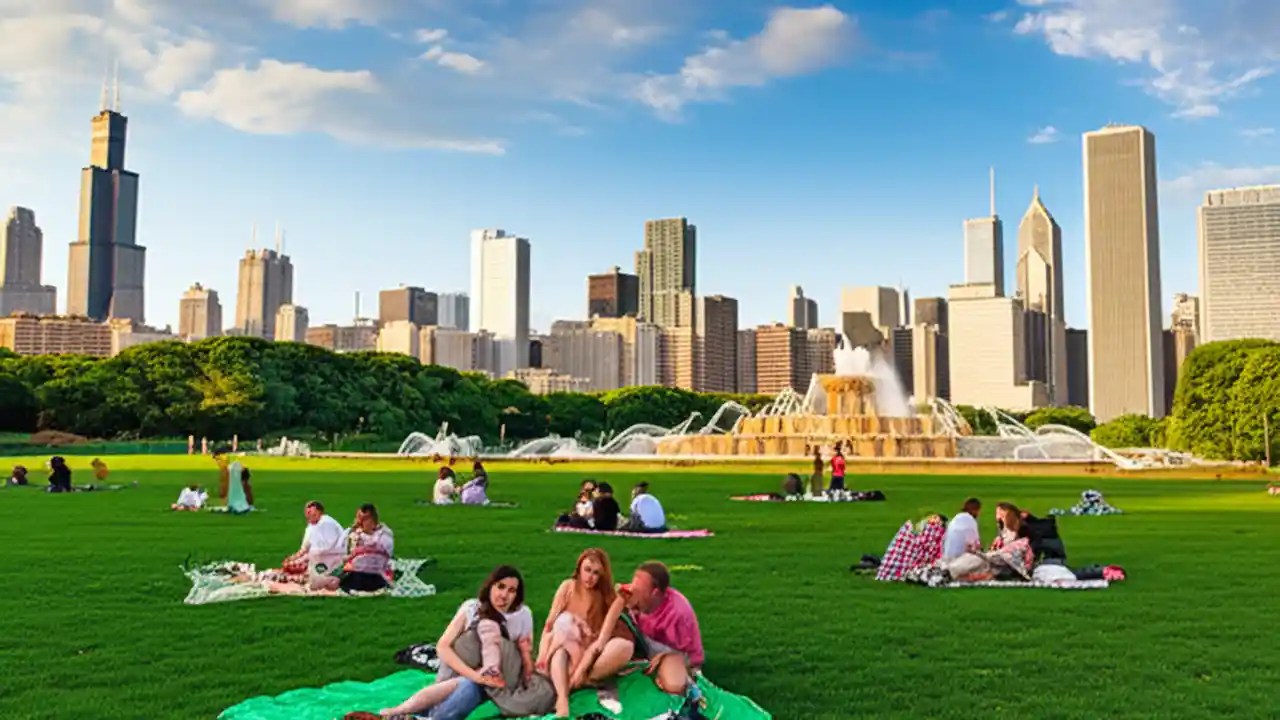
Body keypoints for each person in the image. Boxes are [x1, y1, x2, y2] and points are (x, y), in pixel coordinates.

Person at [378, 566, 544, 719]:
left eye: (512, 590)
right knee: (469, 684)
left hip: (497, 680)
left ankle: (414, 714)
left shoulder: (522, 615)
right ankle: (409, 713)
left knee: (472, 687)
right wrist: (474, 675)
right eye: (500, 587)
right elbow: (443, 647)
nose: (504, 595)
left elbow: (524, 654)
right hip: (462, 672)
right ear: (490, 586)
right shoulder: (471, 609)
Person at [575, 562, 705, 716]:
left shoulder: (678, 613)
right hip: (640, 641)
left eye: (638, 589)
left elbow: (694, 659)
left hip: (671, 653)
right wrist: (619, 605)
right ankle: (581, 673)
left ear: (655, 593)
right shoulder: (634, 596)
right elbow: (617, 607)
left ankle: (583, 678)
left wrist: (665, 657)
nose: (632, 590)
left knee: (675, 684)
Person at [538, 548, 624, 718]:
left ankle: (564, 689)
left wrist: (621, 595)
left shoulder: (603, 596)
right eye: (587, 570)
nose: (590, 577)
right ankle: (562, 700)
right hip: (559, 645)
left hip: (584, 650)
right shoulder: (568, 587)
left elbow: (610, 622)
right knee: (562, 630)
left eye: (596, 573)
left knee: (565, 630)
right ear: (579, 569)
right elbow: (549, 624)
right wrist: (541, 655)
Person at [314, 504, 394, 593]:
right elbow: (341, 553)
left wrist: (363, 538)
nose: (359, 521)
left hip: (373, 575)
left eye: (363, 519)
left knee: (331, 582)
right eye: (358, 518)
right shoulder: (351, 533)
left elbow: (386, 552)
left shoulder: (384, 534)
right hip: (354, 573)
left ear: (372, 520)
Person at [281, 501, 347, 583]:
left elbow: (328, 548)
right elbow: (305, 547)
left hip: (332, 557)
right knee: (289, 565)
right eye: (307, 512)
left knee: (298, 568)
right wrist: (294, 557)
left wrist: (305, 558)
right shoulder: (311, 526)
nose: (308, 515)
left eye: (311, 512)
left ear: (320, 512)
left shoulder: (326, 523)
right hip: (318, 556)